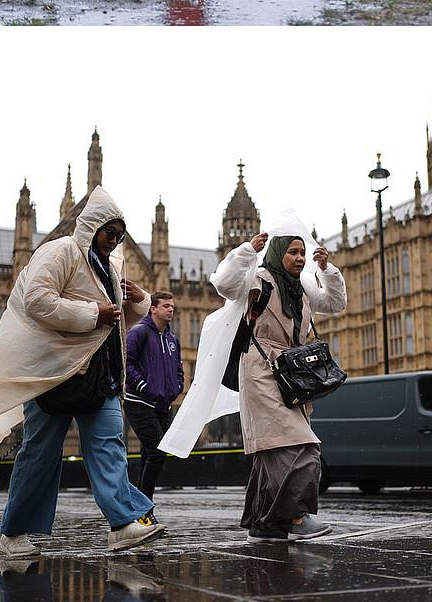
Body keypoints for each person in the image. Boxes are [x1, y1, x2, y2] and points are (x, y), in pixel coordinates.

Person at [0, 187, 166, 559]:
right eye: (111, 234)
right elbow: (37, 300)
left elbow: (117, 321)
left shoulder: (109, 267)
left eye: (121, 236)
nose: (116, 242)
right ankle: (14, 534)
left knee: (110, 446)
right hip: (56, 374)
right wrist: (93, 313)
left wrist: (138, 299)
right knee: (39, 454)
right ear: (93, 227)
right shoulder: (59, 251)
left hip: (100, 375)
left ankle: (123, 524)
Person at [207, 223, 347, 540]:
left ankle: (265, 523)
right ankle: (297, 517)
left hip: (293, 375)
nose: (300, 258)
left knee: (272, 451)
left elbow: (336, 304)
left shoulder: (302, 287)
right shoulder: (260, 279)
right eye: (293, 252)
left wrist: (326, 270)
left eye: (303, 253)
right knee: (302, 445)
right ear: (278, 253)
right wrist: (247, 252)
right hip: (260, 369)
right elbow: (225, 284)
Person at [124, 289, 185, 502]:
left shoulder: (172, 339)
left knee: (149, 454)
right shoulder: (138, 332)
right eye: (166, 306)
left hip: (163, 404)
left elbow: (178, 368)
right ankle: (144, 504)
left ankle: (141, 508)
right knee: (157, 452)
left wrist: (177, 387)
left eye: (173, 307)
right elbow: (126, 362)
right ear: (153, 309)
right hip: (139, 401)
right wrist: (142, 385)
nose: (171, 310)